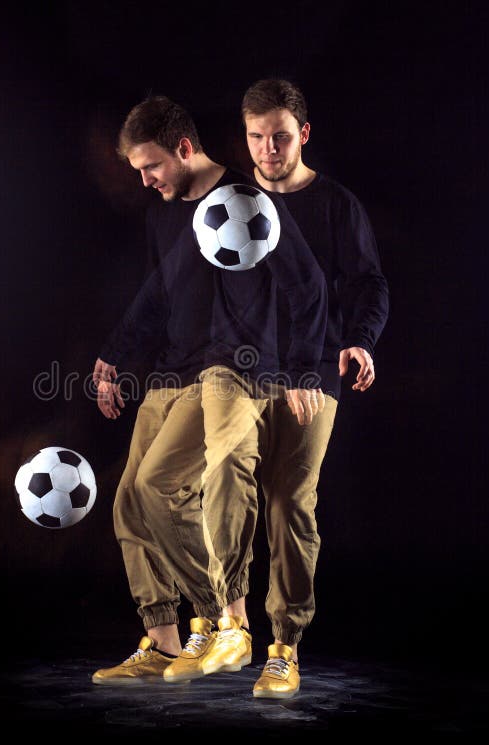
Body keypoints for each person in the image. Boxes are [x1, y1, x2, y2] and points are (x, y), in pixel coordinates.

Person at [89, 96, 329, 686]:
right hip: (169, 374)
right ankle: (167, 642)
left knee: (160, 488)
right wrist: (114, 355)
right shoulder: (164, 212)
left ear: (185, 149)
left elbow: (304, 286)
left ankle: (225, 620)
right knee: (129, 504)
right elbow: (159, 292)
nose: (145, 181)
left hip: (220, 374)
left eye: (151, 167)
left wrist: (298, 370)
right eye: (138, 172)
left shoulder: (250, 202)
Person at [241, 78, 390, 698]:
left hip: (313, 375)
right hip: (241, 373)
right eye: (255, 137)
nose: (268, 148)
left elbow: (369, 283)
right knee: (217, 485)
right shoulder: (232, 203)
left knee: (288, 501)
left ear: (302, 134)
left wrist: (360, 340)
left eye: (279, 136)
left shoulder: (336, 206)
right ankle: (220, 625)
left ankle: (283, 646)